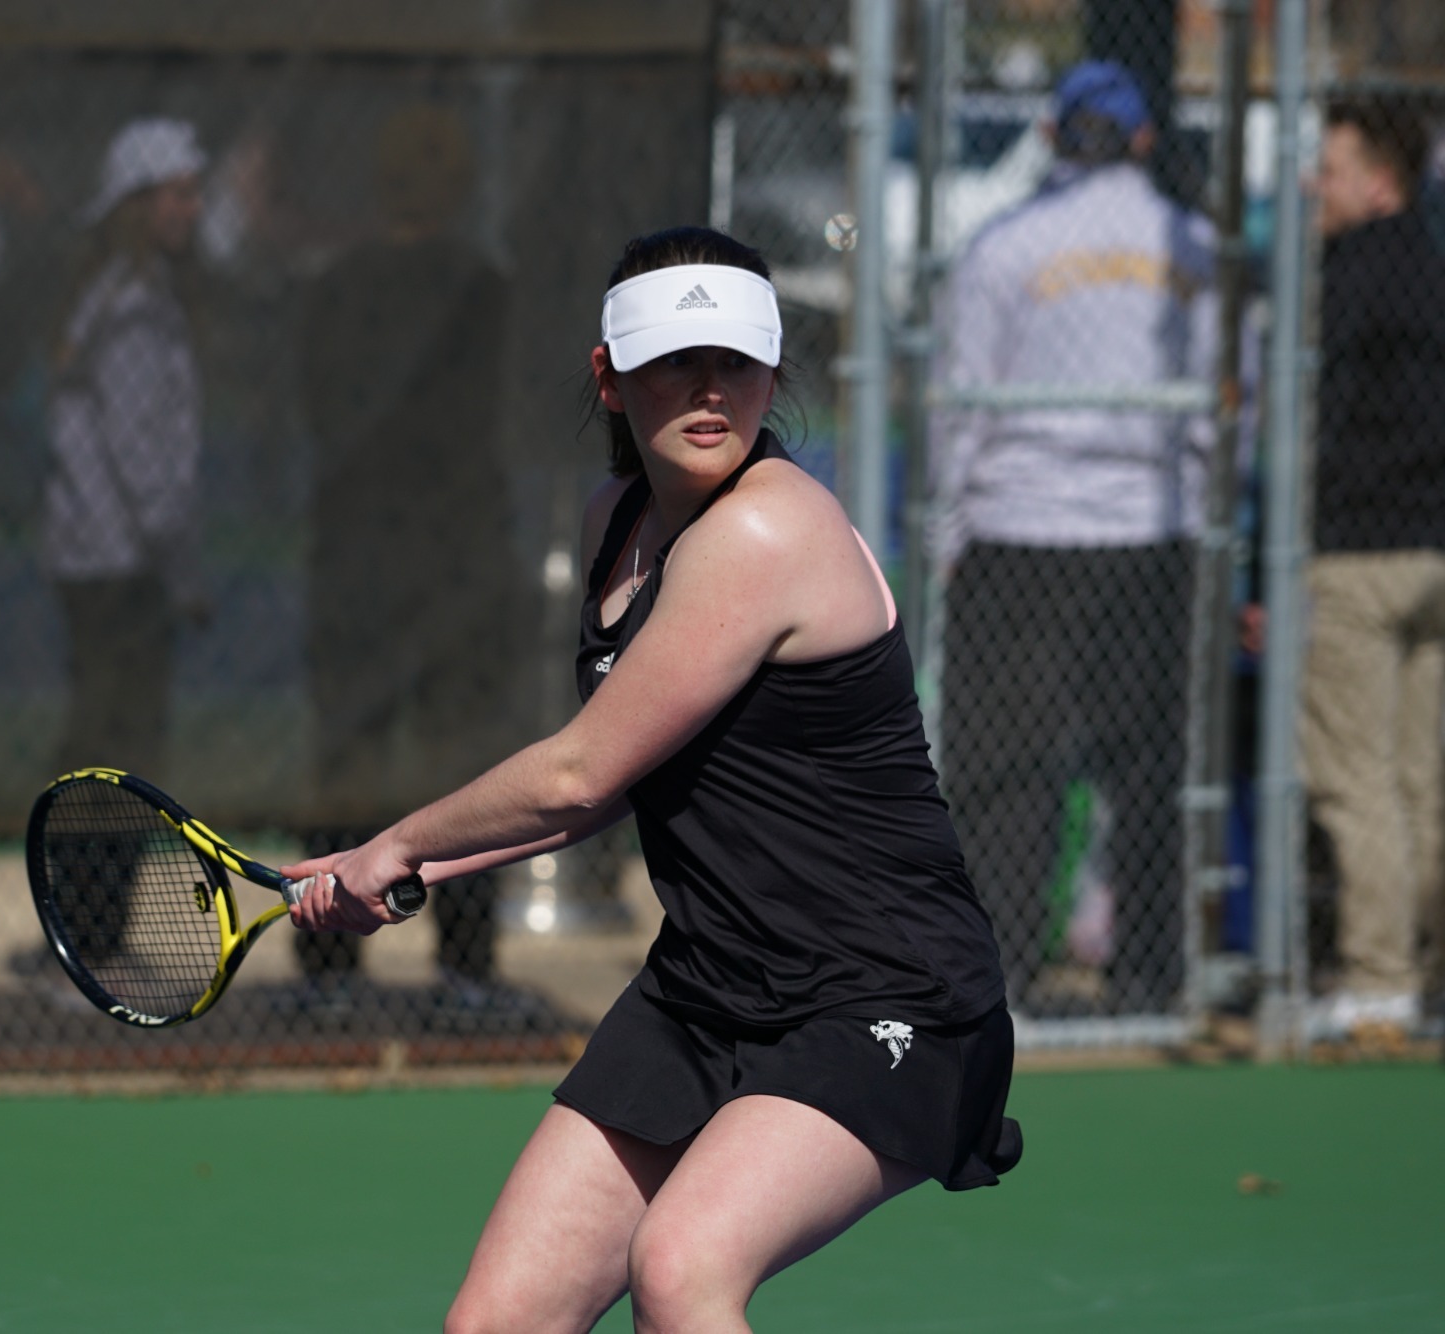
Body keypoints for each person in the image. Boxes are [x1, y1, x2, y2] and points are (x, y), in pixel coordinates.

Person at [282, 226, 1020, 1331]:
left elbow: (580, 772)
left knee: (683, 1265)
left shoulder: (768, 529)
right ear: (608, 375)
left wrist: (393, 840)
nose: (709, 388)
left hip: (882, 991)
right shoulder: (612, 526)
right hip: (708, 985)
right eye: (675, 360)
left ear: (775, 371)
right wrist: (395, 869)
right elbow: (625, 782)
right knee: (496, 1319)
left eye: (735, 359)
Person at [930, 60, 1217, 1017]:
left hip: (1022, 524)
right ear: (1142, 138)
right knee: (1149, 762)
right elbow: (1226, 400)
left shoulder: (1004, 245)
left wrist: (950, 522)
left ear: (1052, 135)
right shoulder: (1195, 244)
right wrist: (1204, 502)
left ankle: (1001, 965)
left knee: (1006, 763)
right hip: (1151, 526)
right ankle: (1148, 974)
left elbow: (961, 401)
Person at [290, 104, 525, 1016]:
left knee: (349, 756)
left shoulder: (337, 286)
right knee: (463, 768)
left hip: (364, 560)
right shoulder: (482, 287)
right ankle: (464, 968)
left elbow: (318, 410)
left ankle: (329, 976)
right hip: (448, 559)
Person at [1300, 97, 1445, 1042]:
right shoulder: (1436, 263)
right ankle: (1418, 976)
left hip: (1357, 552)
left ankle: (1380, 987)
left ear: (1380, 180)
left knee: (1356, 781)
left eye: (1335, 165)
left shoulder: (1348, 274)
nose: (1317, 183)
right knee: (1421, 777)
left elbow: (1323, 417)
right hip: (1434, 552)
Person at [42, 117, 208, 779]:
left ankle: (87, 871)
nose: (193, 209)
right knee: (119, 739)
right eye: (178, 194)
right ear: (137, 204)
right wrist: (183, 572)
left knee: (107, 729)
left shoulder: (126, 291)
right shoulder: (132, 306)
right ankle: (88, 877)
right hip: (120, 563)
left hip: (102, 555)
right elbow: (142, 462)